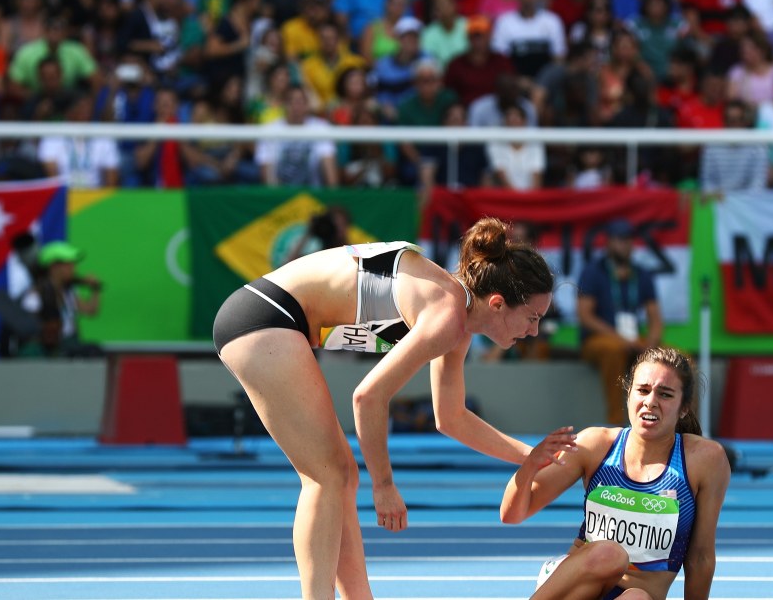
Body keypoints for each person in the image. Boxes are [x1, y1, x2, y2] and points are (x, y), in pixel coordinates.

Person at [212, 217, 555, 600]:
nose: (534, 331)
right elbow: (368, 397)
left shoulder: (455, 316)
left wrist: (533, 457)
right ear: (497, 303)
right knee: (326, 476)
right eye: (532, 317)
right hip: (264, 318)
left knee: (340, 476)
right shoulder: (446, 315)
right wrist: (385, 485)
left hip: (267, 318)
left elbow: (451, 417)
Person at [501, 347, 731, 600]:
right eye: (642, 390)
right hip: (577, 586)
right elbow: (512, 514)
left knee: (637, 598)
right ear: (628, 395)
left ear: (684, 408)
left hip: (639, 595)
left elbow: (700, 557)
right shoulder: (595, 445)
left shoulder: (704, 460)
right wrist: (530, 466)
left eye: (665, 394)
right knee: (609, 554)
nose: (650, 401)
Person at [577, 220, 663, 426]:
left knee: (674, 359)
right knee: (614, 351)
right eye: (620, 240)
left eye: (628, 240)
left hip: (633, 340)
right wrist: (621, 339)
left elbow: (655, 318)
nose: (625, 245)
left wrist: (651, 344)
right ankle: (616, 424)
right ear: (608, 243)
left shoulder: (641, 274)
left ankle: (678, 426)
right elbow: (585, 316)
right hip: (599, 340)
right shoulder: (593, 271)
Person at [19, 241, 103, 358]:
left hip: (69, 343)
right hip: (46, 349)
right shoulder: (35, 295)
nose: (73, 268)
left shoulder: (69, 292)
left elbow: (91, 310)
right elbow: (27, 330)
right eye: (68, 264)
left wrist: (95, 289)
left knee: (94, 350)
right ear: (54, 267)